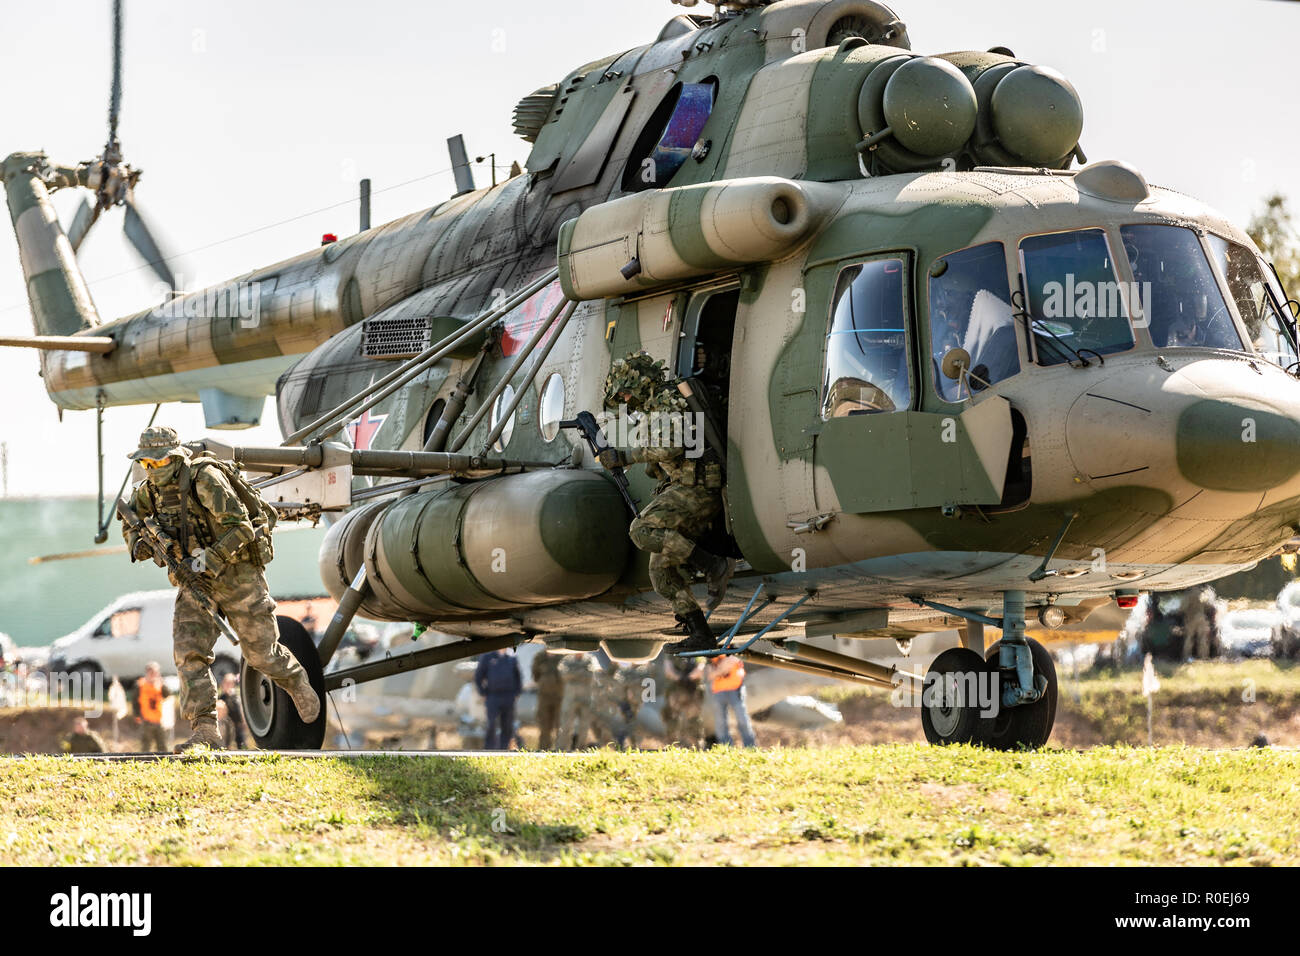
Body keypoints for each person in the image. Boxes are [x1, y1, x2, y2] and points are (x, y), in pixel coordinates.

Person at [119, 426, 319, 752]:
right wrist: (139, 544)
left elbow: (240, 527)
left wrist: (207, 561)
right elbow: (130, 523)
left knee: (260, 654)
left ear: (177, 457)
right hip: (194, 582)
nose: (153, 470)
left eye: (160, 462)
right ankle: (206, 731)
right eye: (147, 464)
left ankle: (295, 679)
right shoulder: (148, 493)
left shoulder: (205, 479)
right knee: (189, 654)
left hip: (237, 573)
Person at [598, 352, 732, 654]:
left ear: (642, 383)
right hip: (686, 486)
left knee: (640, 531)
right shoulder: (655, 406)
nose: (627, 399)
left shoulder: (667, 400)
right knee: (661, 573)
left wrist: (627, 456)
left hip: (699, 488)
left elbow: (672, 444)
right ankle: (701, 632)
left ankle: (714, 565)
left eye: (628, 391)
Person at [473, 648, 522, 751]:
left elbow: (518, 677)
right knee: (491, 724)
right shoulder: (487, 657)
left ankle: (504, 748)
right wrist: (482, 692)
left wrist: (517, 693)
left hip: (508, 696)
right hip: (493, 696)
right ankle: (489, 749)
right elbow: (478, 677)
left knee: (507, 724)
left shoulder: (512, 657)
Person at [708, 653, 756, 748]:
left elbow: (732, 660)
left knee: (742, 719)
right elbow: (709, 675)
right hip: (718, 690)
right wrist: (722, 668)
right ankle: (726, 748)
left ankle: (750, 747)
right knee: (721, 722)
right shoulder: (711, 653)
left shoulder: (733, 647)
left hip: (735, 688)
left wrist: (718, 670)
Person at [555, 653, 601, 750]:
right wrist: (582, 672)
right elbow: (563, 675)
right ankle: (562, 748)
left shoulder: (591, 659)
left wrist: (574, 673)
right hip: (570, 698)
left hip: (585, 698)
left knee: (584, 726)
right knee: (566, 725)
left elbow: (593, 675)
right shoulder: (567, 660)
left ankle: (581, 748)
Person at [661, 655, 705, 748]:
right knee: (673, 717)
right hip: (676, 689)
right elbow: (668, 670)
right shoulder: (671, 650)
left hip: (692, 689)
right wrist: (679, 678)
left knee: (694, 719)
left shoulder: (698, 651)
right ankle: (672, 744)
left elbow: (701, 667)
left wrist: (688, 678)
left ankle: (696, 744)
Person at [530, 648, 564, 750]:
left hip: (559, 697)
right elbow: (535, 674)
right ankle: (543, 749)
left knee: (560, 724)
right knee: (544, 725)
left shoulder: (562, 656)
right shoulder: (540, 657)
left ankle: (560, 749)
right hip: (544, 696)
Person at [135, 661, 170, 752]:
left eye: (155, 672)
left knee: (162, 746)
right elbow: (135, 702)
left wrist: (162, 683)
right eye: (151, 672)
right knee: (146, 746)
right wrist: (137, 716)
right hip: (146, 721)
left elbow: (168, 694)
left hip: (159, 721)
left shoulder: (160, 684)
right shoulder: (140, 684)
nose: (153, 675)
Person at [219, 672, 247, 749]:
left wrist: (244, 721)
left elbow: (241, 709)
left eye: (230, 683)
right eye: (226, 683)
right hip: (225, 723)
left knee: (240, 739)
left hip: (237, 723)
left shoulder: (236, 697)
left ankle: (242, 749)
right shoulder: (222, 698)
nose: (228, 685)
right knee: (226, 740)